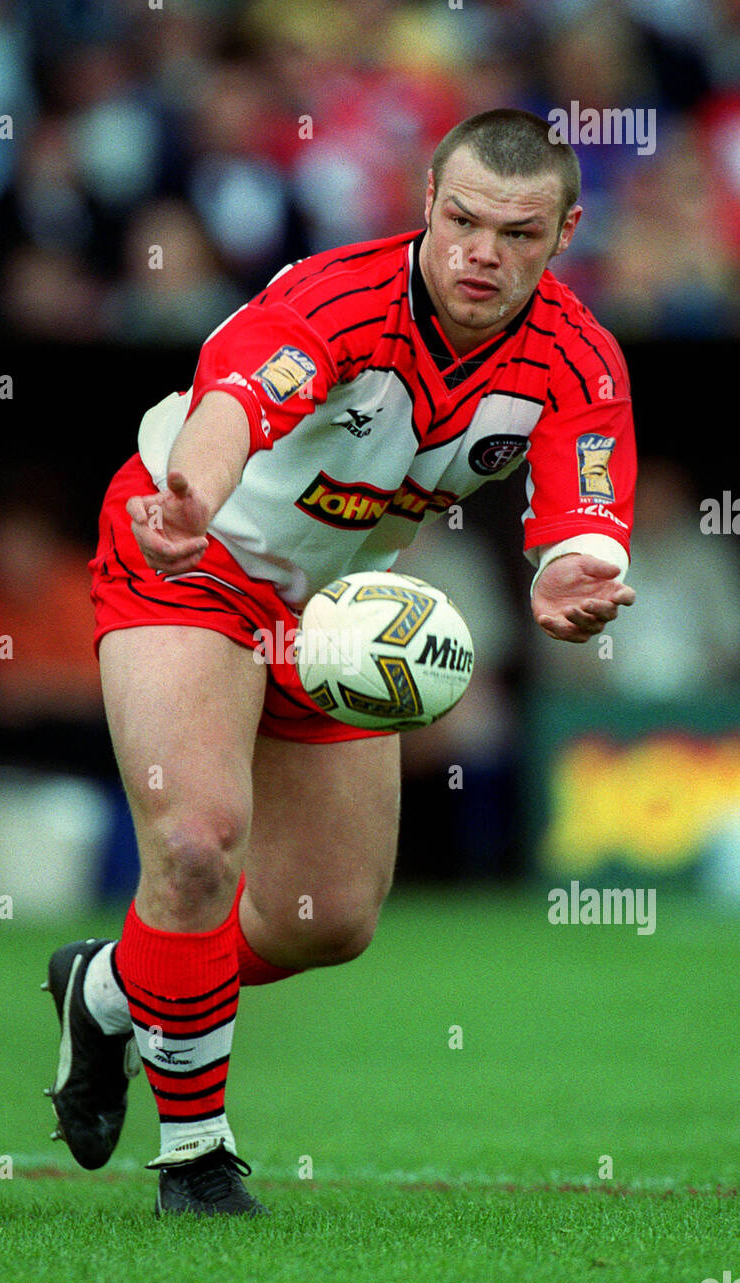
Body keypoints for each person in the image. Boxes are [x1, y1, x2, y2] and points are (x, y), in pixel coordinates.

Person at [42, 109, 636, 1216]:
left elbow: (585, 514)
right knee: (195, 841)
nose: (480, 252)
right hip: (193, 554)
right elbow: (234, 404)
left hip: (333, 611)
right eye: (460, 220)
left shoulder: (579, 358)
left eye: (515, 232)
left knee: (325, 918)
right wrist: (195, 500)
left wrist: (574, 578)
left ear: (564, 231)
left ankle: (109, 990)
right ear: (424, 204)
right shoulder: (335, 299)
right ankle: (198, 1157)